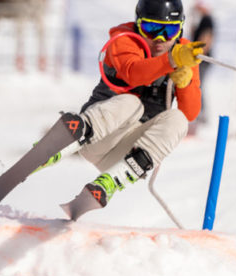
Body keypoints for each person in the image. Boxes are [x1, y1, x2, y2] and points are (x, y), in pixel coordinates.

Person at [53, 0, 205, 218]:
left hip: (125, 151)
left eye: (169, 30)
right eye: (151, 29)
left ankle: (113, 180)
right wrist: (170, 61)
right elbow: (133, 72)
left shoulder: (184, 52)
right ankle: (66, 140)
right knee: (132, 103)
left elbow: (190, 113)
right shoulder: (124, 40)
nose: (160, 39)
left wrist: (185, 83)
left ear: (180, 28)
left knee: (179, 119)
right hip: (97, 138)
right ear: (138, 24)